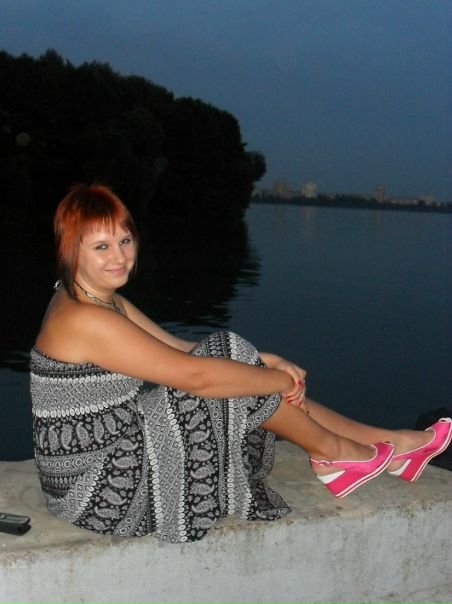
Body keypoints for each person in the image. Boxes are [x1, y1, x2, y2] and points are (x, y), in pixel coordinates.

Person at [30, 184, 452, 544]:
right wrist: (274, 379)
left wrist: (266, 362)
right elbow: (196, 376)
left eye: (125, 241)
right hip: (99, 492)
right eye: (101, 247)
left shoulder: (98, 300)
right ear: (71, 250)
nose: (119, 257)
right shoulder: (85, 318)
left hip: (107, 461)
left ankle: (383, 446)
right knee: (230, 370)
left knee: (231, 360)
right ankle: (338, 453)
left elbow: (181, 350)